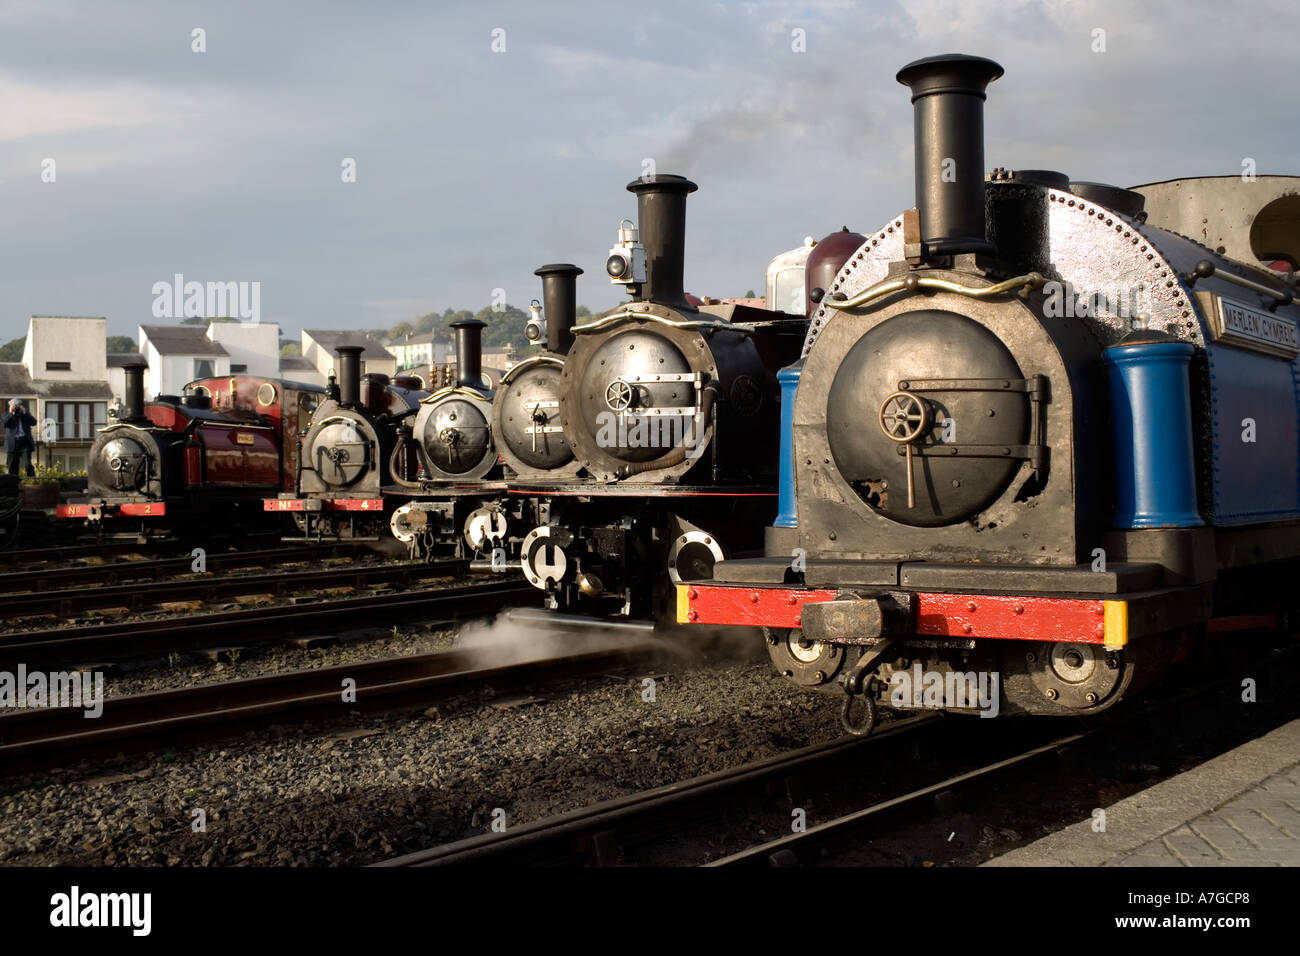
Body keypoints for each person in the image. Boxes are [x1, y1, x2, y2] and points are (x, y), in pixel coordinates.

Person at [3, 399, 38, 477]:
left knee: (28, 464)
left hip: (24, 442)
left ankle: (32, 481)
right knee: (12, 466)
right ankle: (13, 485)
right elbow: (5, 423)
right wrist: (11, 412)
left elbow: (34, 422)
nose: (17, 408)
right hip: (12, 443)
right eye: (15, 406)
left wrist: (25, 413)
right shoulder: (5, 415)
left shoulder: (25, 415)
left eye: (18, 406)